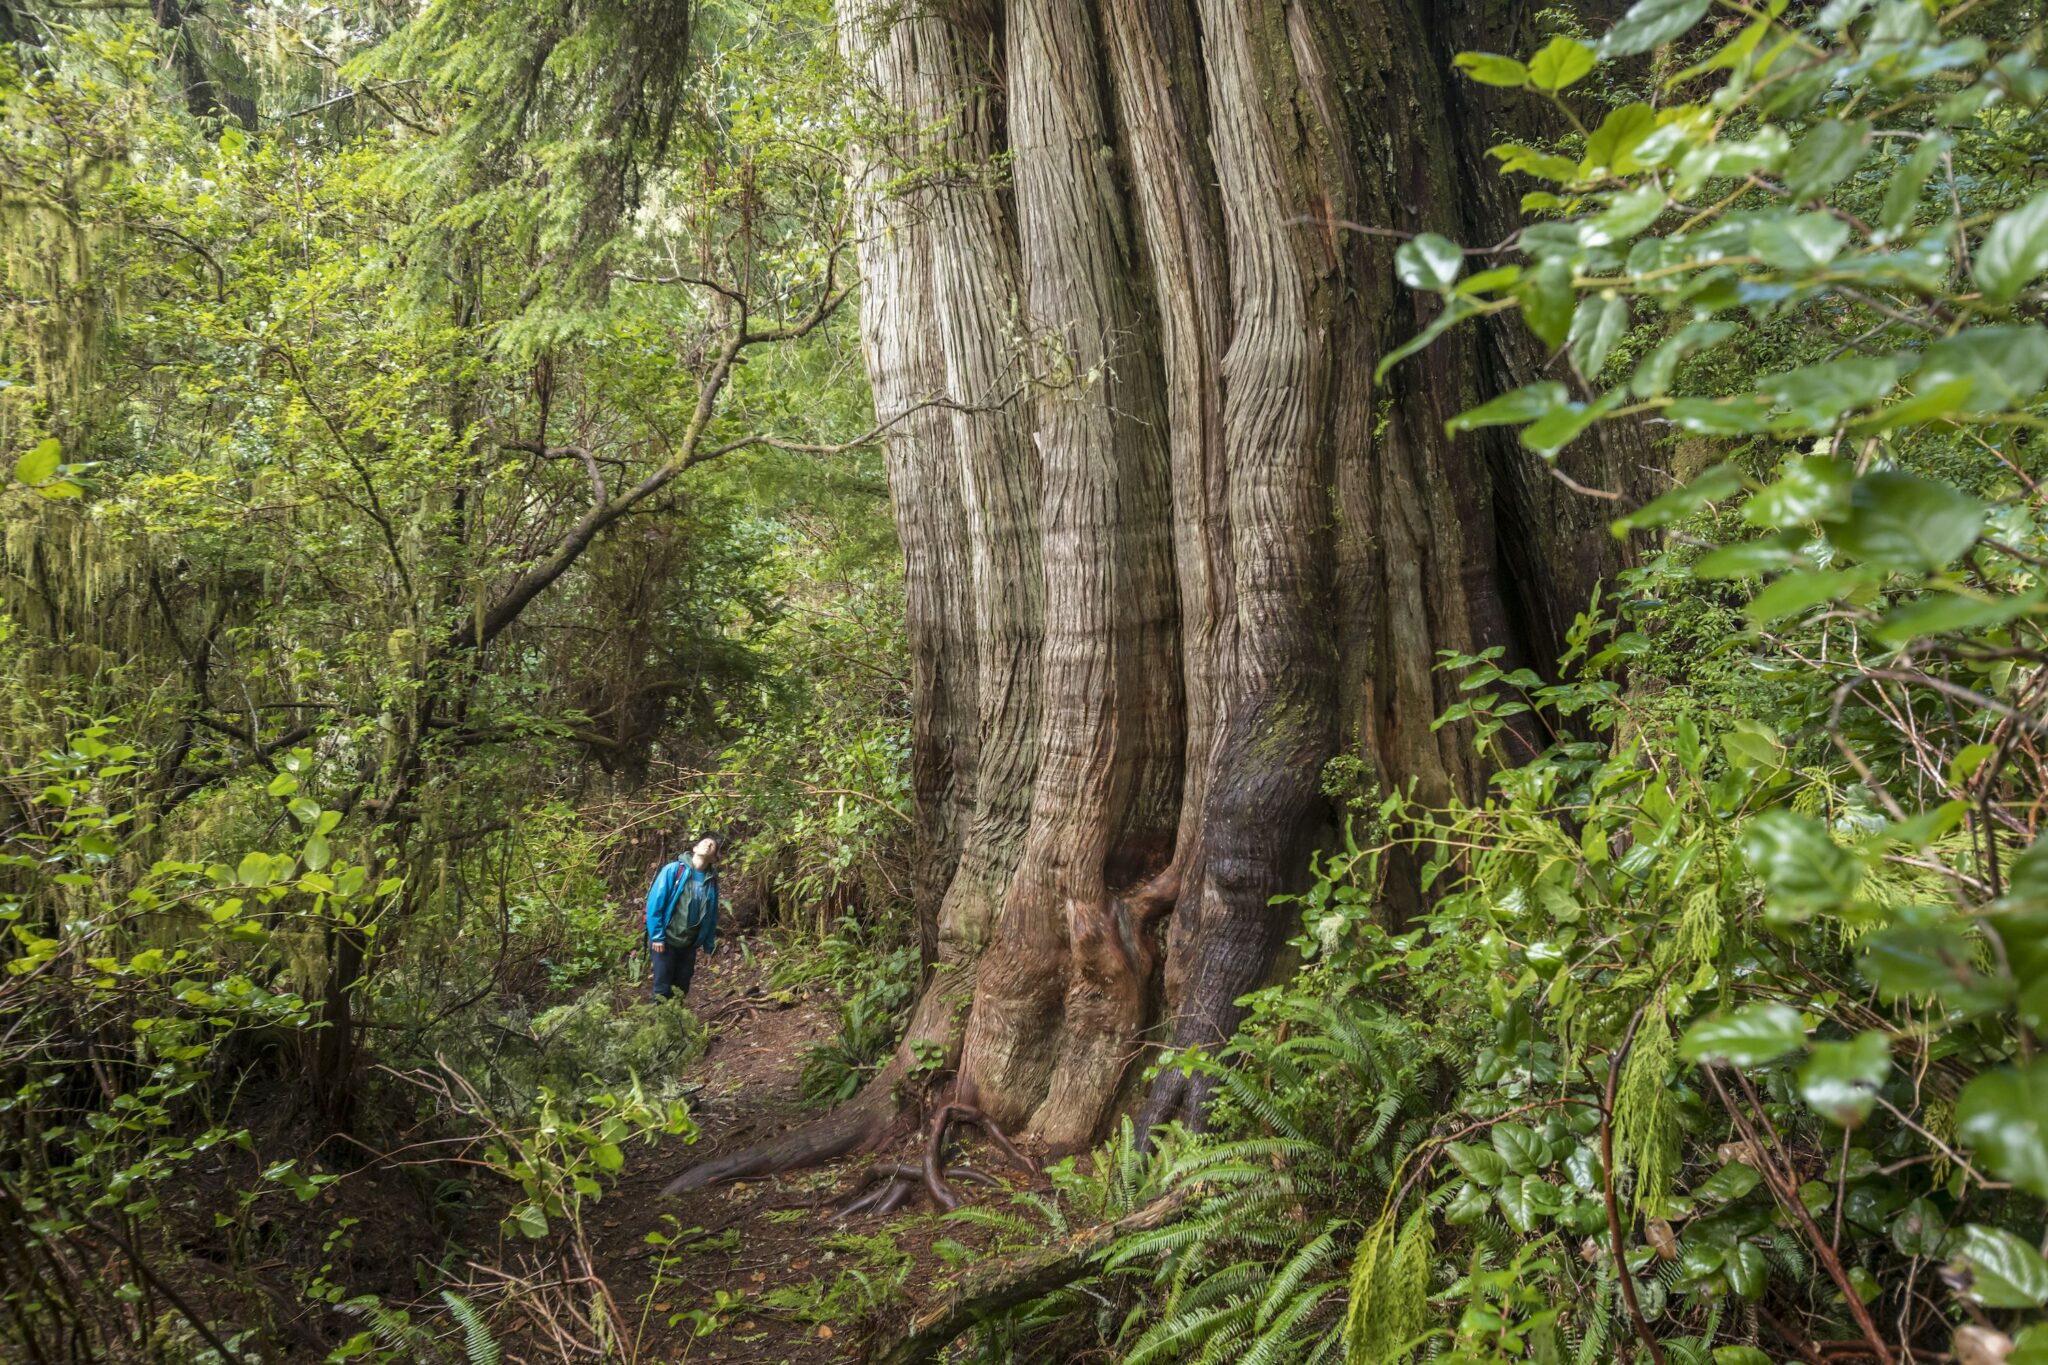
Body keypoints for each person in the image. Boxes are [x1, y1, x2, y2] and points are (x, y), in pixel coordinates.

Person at [646, 834, 721, 1002]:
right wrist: (657, 936)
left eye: (712, 845)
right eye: (705, 842)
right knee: (662, 989)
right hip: (665, 940)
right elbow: (655, 903)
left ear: (714, 858)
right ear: (695, 848)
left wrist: (708, 947)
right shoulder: (674, 870)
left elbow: (711, 916)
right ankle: (657, 1019)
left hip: (688, 944)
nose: (708, 845)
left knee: (681, 988)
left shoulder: (711, 881)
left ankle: (676, 1019)